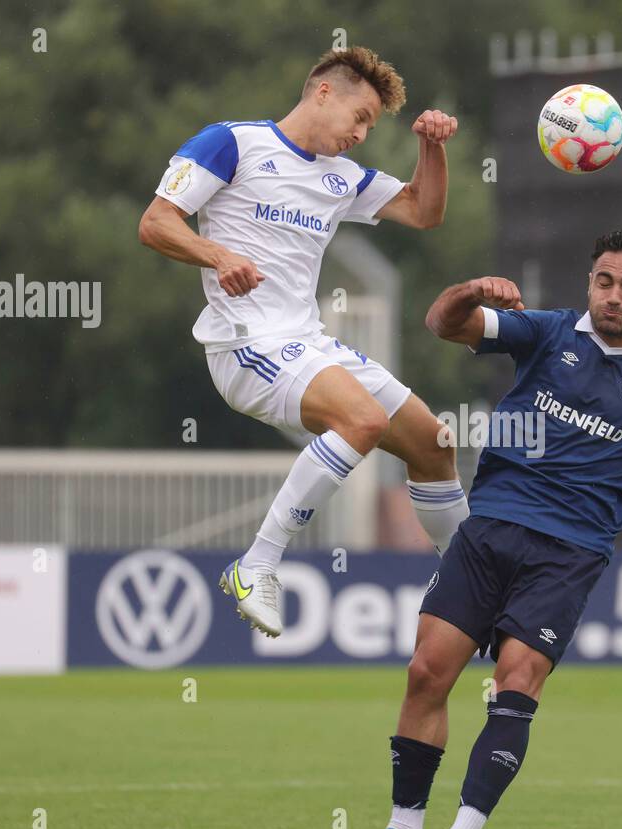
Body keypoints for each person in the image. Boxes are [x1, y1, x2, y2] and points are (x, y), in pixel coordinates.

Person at [329, 230, 622, 829]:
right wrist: (471, 291)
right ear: (590, 282)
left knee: (514, 683)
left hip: (569, 552)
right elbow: (441, 323)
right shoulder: (546, 332)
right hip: (489, 530)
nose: (613, 295)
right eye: (604, 280)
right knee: (427, 672)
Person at [138, 47, 466, 638]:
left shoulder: (341, 178)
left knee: (435, 444)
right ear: (323, 93)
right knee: (361, 421)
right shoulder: (230, 144)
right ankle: (257, 564)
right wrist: (218, 255)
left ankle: (471, 585)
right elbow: (156, 223)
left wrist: (432, 146)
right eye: (360, 116)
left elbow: (424, 212)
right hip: (244, 346)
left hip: (307, 344)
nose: (362, 133)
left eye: (371, 125)